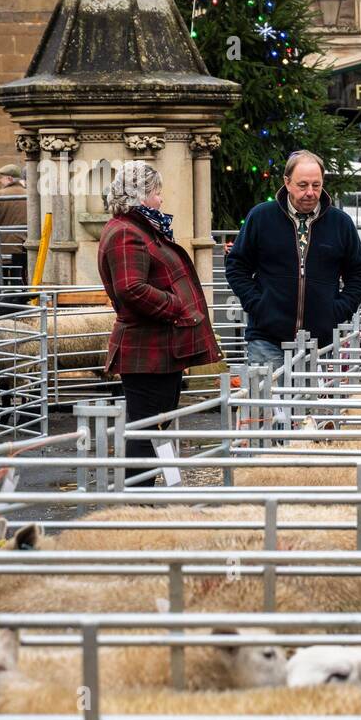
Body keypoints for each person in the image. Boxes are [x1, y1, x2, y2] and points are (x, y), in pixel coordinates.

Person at [97, 161, 220, 486]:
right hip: (147, 350)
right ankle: (138, 505)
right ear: (138, 196)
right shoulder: (126, 231)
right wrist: (176, 307)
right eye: (155, 192)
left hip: (156, 349)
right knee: (145, 429)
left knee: (152, 426)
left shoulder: (137, 228)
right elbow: (131, 288)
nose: (161, 199)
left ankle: (144, 500)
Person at [224, 149, 361, 369]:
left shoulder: (340, 223)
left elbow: (359, 273)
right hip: (267, 338)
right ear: (287, 182)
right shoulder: (261, 217)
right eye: (303, 185)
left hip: (322, 342)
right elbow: (237, 266)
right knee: (269, 402)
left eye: (317, 185)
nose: (311, 192)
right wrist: (257, 303)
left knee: (317, 404)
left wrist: (338, 310)